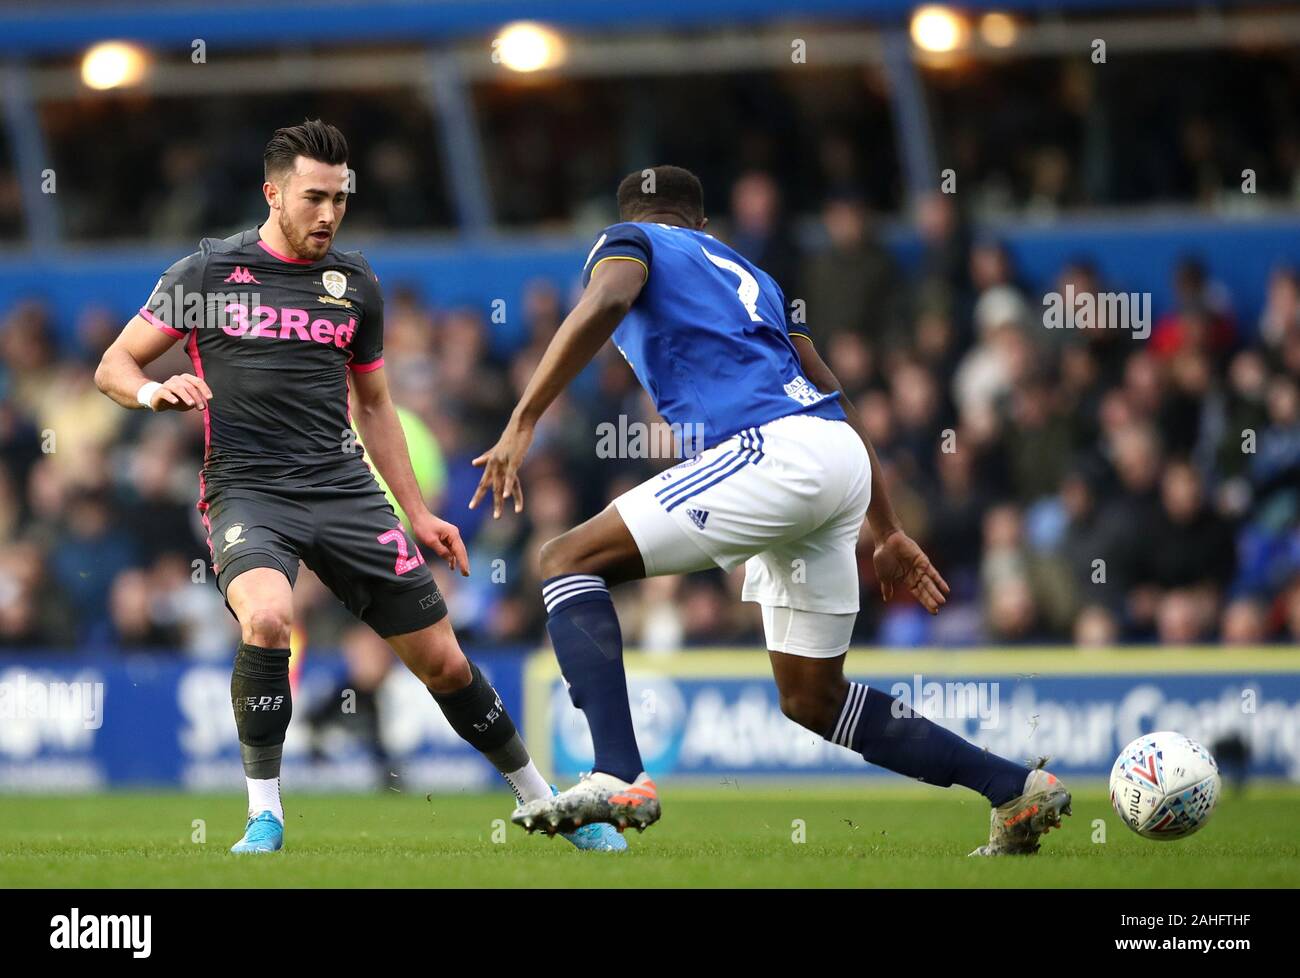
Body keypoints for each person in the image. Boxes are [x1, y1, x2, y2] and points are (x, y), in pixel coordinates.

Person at [473, 165, 1071, 855]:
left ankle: (618, 773)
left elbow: (609, 296)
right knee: (813, 698)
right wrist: (890, 528)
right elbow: (831, 392)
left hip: (770, 452)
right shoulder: (752, 276)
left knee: (563, 560)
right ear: (702, 222)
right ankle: (1012, 789)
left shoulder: (628, 239)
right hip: (836, 455)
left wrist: (524, 417)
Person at [94, 119, 622, 854]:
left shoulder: (356, 284)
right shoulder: (206, 274)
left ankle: (545, 802)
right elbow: (113, 366)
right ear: (272, 193)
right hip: (247, 492)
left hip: (345, 491)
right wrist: (152, 394)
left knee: (442, 661)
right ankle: (265, 815)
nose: (329, 214)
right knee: (270, 618)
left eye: (340, 199)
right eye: (314, 198)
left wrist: (417, 513)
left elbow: (374, 406)